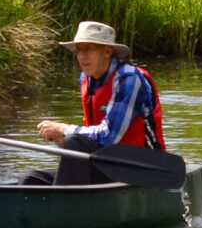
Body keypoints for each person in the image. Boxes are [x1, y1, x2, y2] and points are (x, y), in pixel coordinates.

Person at [36, 19, 164, 164]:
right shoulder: (86, 79)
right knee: (32, 176)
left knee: (73, 140)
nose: (82, 56)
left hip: (143, 166)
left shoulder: (129, 79)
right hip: (105, 163)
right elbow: (90, 138)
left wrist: (64, 129)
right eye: (79, 49)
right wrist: (60, 138)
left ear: (107, 51)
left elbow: (109, 136)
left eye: (89, 48)